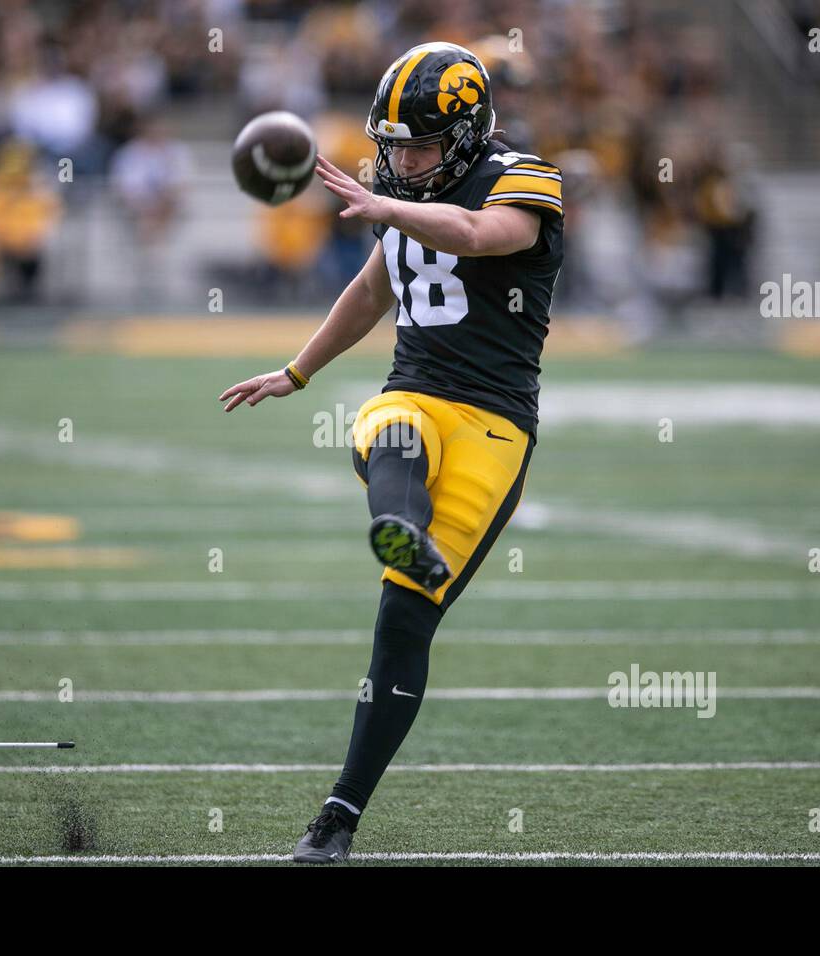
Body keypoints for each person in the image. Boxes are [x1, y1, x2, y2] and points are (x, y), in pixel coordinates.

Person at [220, 42, 564, 863]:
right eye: (394, 144)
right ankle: (399, 527)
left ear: (472, 133)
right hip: (415, 392)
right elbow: (376, 287)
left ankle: (339, 817)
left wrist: (388, 209)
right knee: (386, 428)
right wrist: (298, 371)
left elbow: (482, 233)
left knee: (404, 620)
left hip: (493, 424)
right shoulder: (401, 190)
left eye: (419, 145)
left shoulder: (524, 175)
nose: (402, 161)